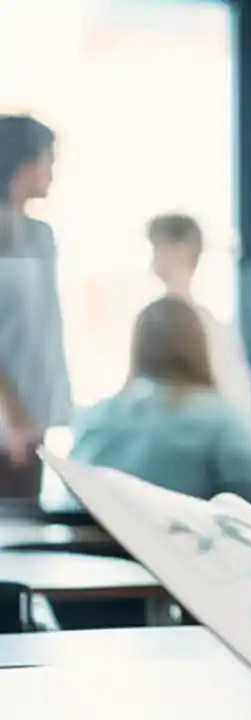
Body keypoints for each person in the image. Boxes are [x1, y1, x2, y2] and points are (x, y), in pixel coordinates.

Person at [71, 297, 251, 523]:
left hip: (96, 558)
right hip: (178, 557)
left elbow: (73, 500)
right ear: (201, 346)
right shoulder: (217, 421)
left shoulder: (95, 419)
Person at [0, 115, 72, 500]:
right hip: (10, 419)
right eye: (49, 160)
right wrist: (13, 415)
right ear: (25, 163)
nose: (52, 172)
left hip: (34, 419)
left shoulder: (41, 236)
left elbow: (43, 330)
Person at [147, 213, 251, 417]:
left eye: (158, 247)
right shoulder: (150, 321)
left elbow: (239, 396)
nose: (153, 260)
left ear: (183, 251)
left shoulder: (210, 329)